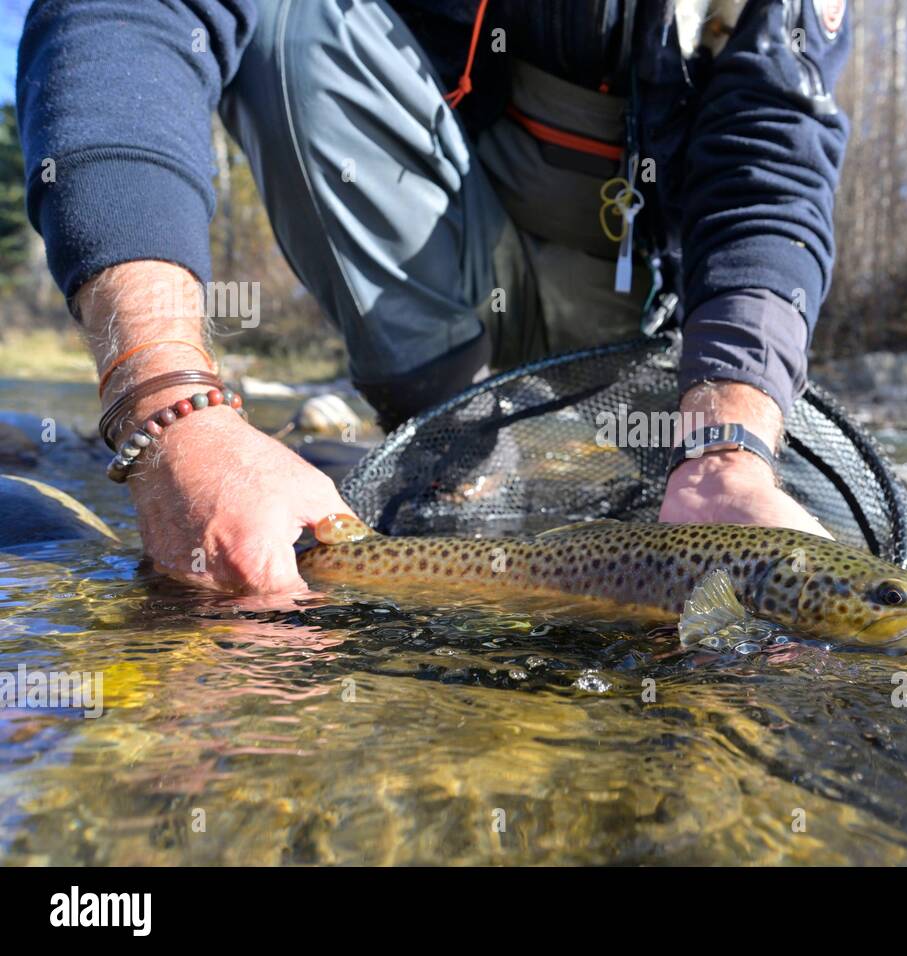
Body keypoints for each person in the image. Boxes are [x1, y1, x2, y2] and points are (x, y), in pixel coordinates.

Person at [16, 0, 850, 593]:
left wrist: (728, 448)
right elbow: (124, 15)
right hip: (450, 302)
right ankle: (454, 454)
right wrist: (166, 404)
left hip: (637, 336)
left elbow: (770, 166)